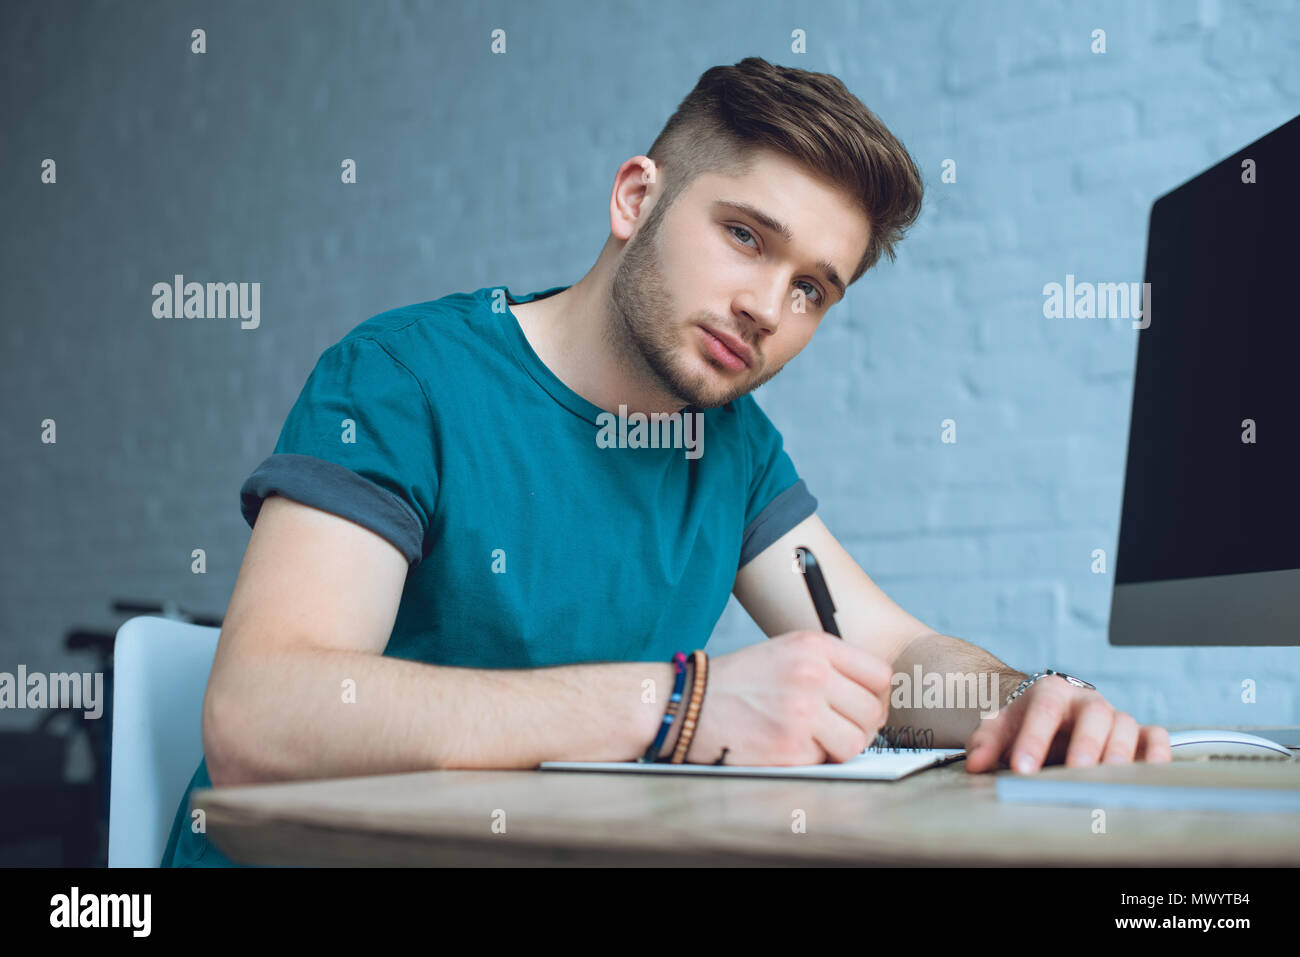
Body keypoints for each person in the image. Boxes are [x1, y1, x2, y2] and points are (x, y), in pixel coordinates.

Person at [163, 56, 1170, 867]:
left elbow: (890, 658)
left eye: (812, 289)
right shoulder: (402, 378)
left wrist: (1022, 702)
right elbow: (262, 717)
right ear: (635, 199)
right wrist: (680, 705)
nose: (767, 308)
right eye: (743, 235)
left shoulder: (727, 448)